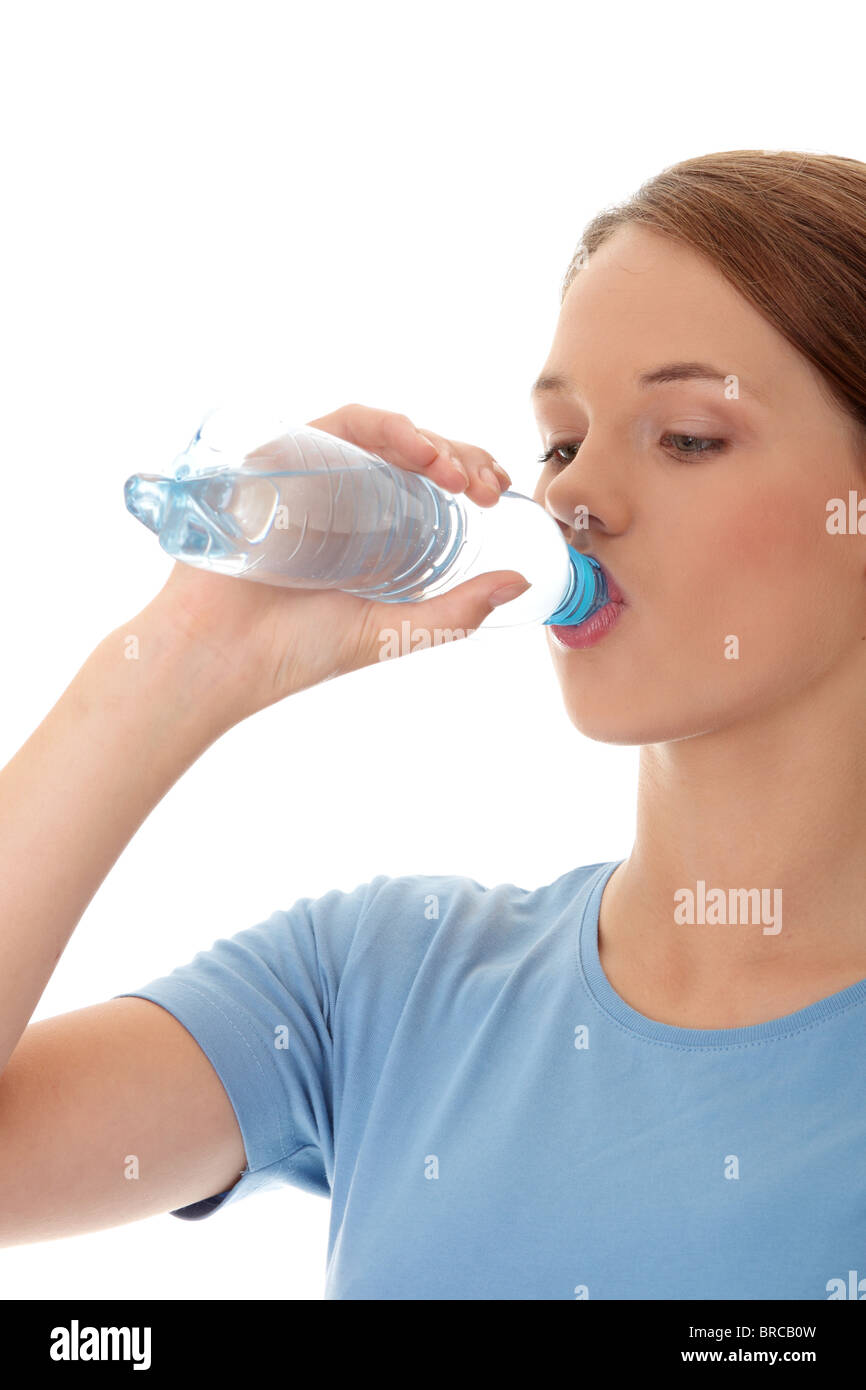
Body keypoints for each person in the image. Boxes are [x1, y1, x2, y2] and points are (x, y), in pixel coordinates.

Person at [1, 148, 865, 1300]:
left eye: (687, 436)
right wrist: (183, 658)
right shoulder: (377, 983)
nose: (569, 497)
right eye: (559, 442)